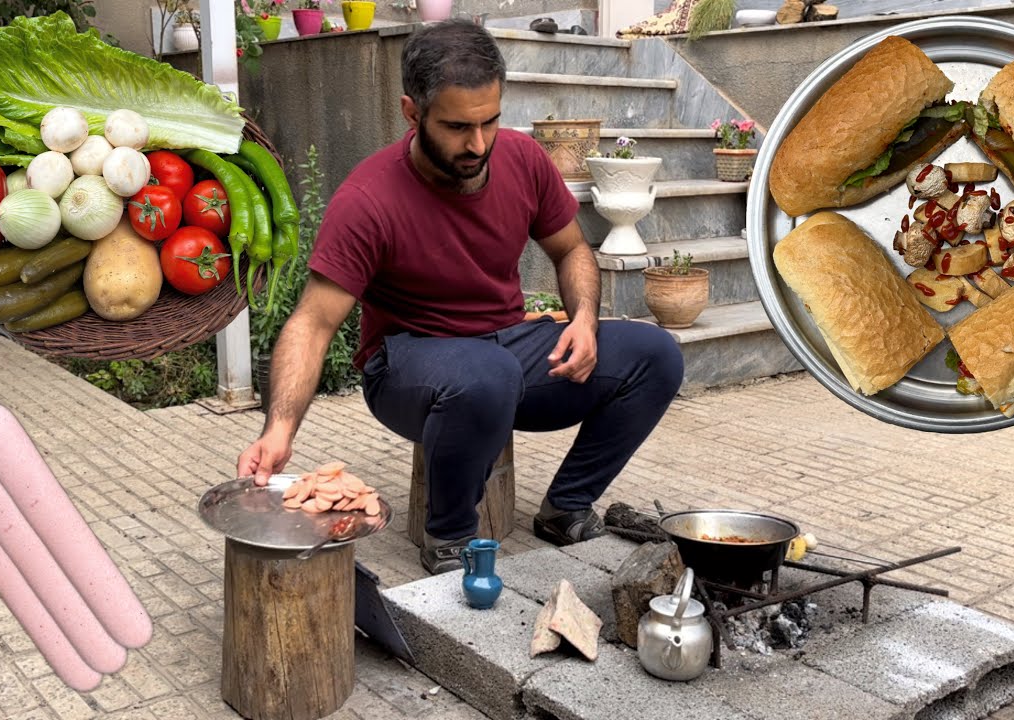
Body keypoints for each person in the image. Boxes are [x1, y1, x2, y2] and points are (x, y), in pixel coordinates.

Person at [236, 19, 684, 574]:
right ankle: (448, 537)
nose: (478, 144)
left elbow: (572, 251)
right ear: (411, 112)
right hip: (407, 363)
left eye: (490, 121)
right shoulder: (368, 199)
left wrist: (585, 319)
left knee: (657, 355)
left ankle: (566, 507)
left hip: (509, 352)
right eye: (456, 127)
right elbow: (313, 322)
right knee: (486, 374)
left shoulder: (522, 160)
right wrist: (279, 428)